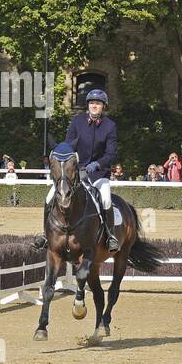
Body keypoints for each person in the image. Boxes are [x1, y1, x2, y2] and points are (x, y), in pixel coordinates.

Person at [33, 88, 120, 252]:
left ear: (103, 106)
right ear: (88, 105)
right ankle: (46, 234)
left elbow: (111, 153)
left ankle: (110, 236)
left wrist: (97, 164)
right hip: (75, 173)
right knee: (50, 196)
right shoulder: (77, 122)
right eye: (92, 103)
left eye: (98, 103)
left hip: (98, 174)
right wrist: (70, 166)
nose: (94, 106)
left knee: (106, 199)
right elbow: (67, 148)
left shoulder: (110, 126)